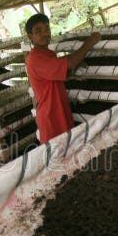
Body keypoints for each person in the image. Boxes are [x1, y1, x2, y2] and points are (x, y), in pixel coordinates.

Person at [25, 13, 101, 143]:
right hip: (51, 116)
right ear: (30, 37)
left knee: (68, 151)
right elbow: (70, 63)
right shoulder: (36, 58)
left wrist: (74, 68)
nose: (45, 33)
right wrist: (89, 42)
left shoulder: (47, 54)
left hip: (58, 111)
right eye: (38, 31)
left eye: (47, 28)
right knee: (57, 156)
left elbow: (60, 74)